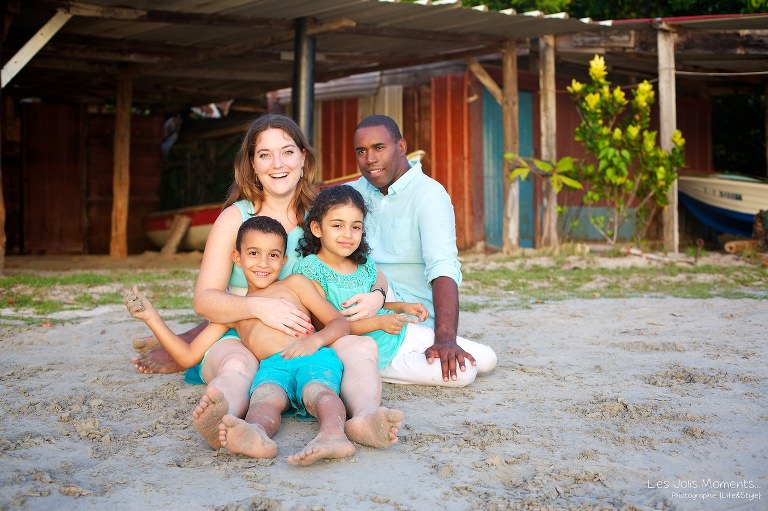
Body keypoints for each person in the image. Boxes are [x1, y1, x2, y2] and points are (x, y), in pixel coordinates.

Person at [129, 113, 402, 449]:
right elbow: (205, 300)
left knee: (361, 347)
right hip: (241, 329)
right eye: (264, 154)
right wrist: (258, 307)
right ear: (252, 165)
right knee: (236, 365)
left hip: (308, 333)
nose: (277, 163)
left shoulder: (321, 215)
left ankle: (365, 416)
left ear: (303, 158)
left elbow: (366, 268)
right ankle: (221, 417)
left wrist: (377, 294)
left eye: (287, 152)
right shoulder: (236, 218)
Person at [125, 217, 356, 465]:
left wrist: (315, 341)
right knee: (263, 400)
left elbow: (340, 323)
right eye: (254, 253)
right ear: (237, 258)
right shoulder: (233, 312)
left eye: (274, 255)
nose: (264, 263)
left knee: (318, 392)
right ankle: (255, 435)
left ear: (284, 260)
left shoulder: (294, 285)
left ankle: (333, 435)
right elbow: (188, 356)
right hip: (271, 368)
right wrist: (152, 319)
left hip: (311, 356)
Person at [294, 185, 497, 386]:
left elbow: (368, 308)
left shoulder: (361, 262)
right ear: (317, 228)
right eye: (337, 226)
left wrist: (401, 307)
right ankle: (385, 371)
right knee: (466, 373)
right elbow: (326, 328)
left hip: (402, 333)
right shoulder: (312, 270)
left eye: (355, 227)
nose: (348, 234)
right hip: (380, 354)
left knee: (488, 359)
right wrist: (380, 323)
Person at [345, 114, 497, 382]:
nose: (369, 159)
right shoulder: (353, 193)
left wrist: (446, 339)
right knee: (465, 375)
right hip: (371, 306)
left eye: (379, 148)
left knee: (487, 360)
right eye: (361, 151)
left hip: (416, 316)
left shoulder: (428, 194)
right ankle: (371, 359)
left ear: (401, 147)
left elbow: (443, 268)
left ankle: (379, 359)